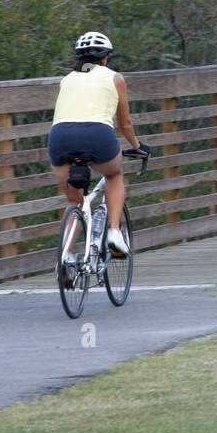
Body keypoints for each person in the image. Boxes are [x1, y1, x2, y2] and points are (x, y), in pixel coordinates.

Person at [48, 31, 148, 261]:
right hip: (97, 134)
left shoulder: (66, 80)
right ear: (105, 58)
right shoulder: (115, 78)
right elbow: (124, 123)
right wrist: (138, 145)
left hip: (60, 137)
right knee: (114, 175)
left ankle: (67, 256)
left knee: (75, 200)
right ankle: (114, 232)